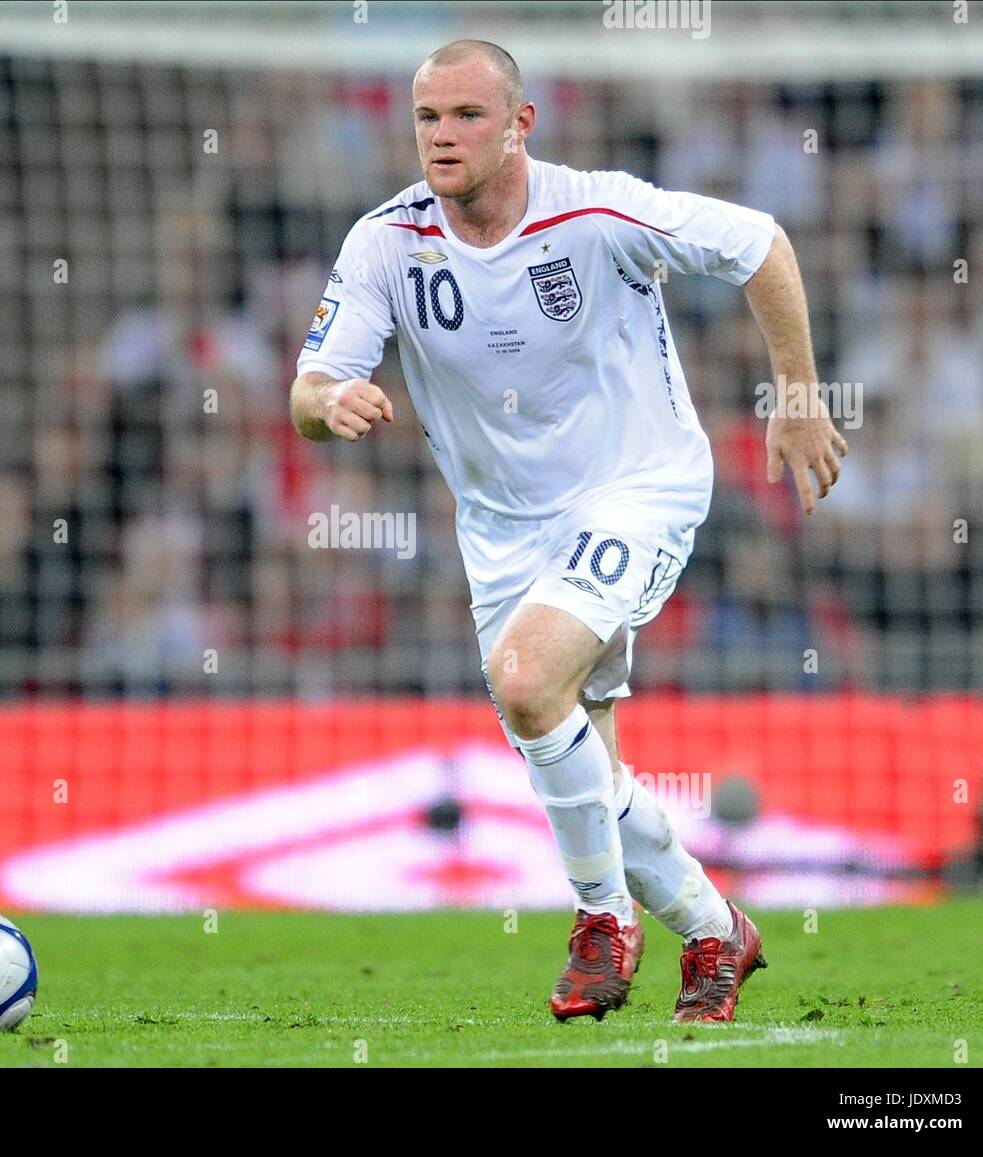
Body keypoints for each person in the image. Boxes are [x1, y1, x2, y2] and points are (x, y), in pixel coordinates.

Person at [289, 40, 846, 1022]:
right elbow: (304, 387)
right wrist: (329, 399)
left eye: (467, 115)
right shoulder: (384, 240)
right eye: (427, 118)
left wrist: (796, 393)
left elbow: (761, 242)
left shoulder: (595, 212)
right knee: (569, 742)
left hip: (635, 487)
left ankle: (600, 918)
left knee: (523, 681)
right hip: (500, 528)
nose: (444, 136)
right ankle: (717, 930)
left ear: (519, 124)